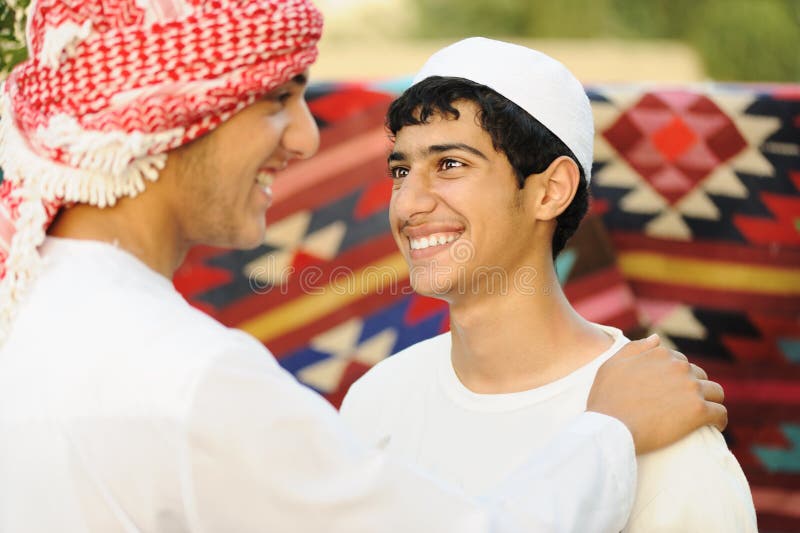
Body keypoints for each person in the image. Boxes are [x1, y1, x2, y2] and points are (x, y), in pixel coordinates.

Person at [0, 3, 726, 531]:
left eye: (450, 163)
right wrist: (609, 433)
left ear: (550, 188)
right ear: (177, 110)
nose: (308, 138)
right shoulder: (215, 382)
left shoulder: (31, 312)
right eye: (280, 102)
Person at [340, 37, 757, 532]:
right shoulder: (376, 403)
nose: (408, 204)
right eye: (401, 170)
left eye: (449, 164)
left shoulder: (661, 424)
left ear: (550, 190)